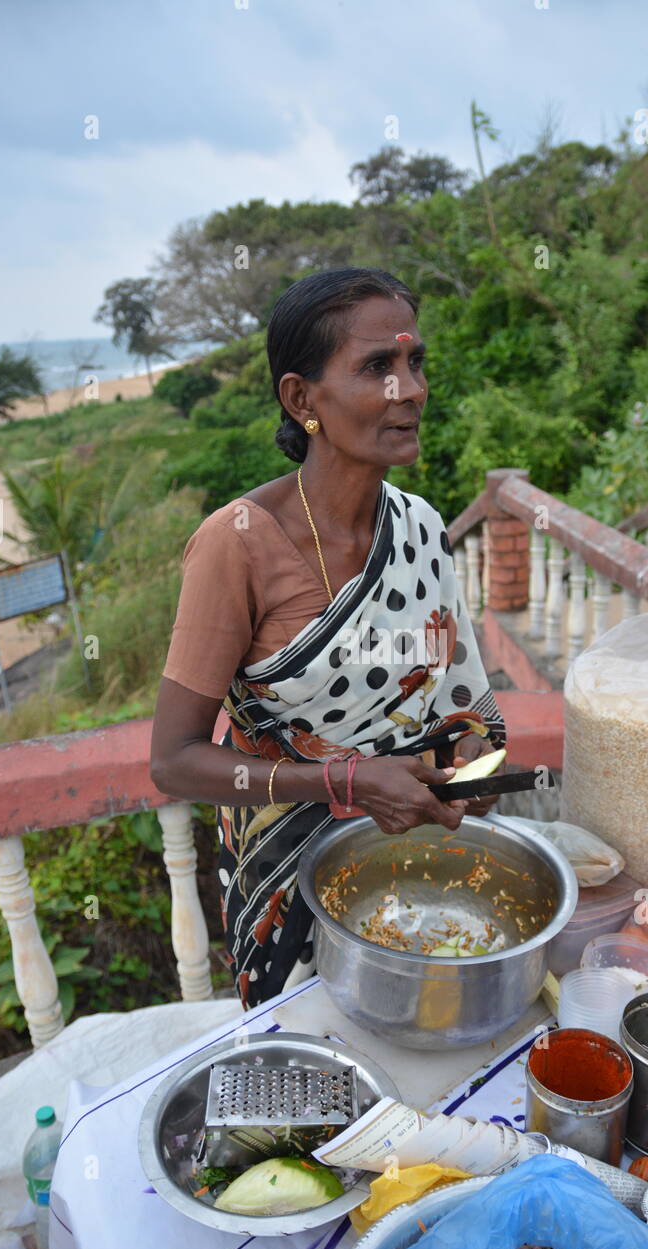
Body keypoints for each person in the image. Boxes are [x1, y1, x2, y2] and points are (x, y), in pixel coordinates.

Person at [151, 266, 506, 1009]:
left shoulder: (419, 529)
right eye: (377, 366)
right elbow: (174, 762)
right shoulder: (238, 545)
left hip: (409, 862)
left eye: (415, 363)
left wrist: (468, 770)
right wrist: (343, 783)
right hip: (286, 879)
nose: (409, 389)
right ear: (301, 398)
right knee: (314, 1083)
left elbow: (459, 699)